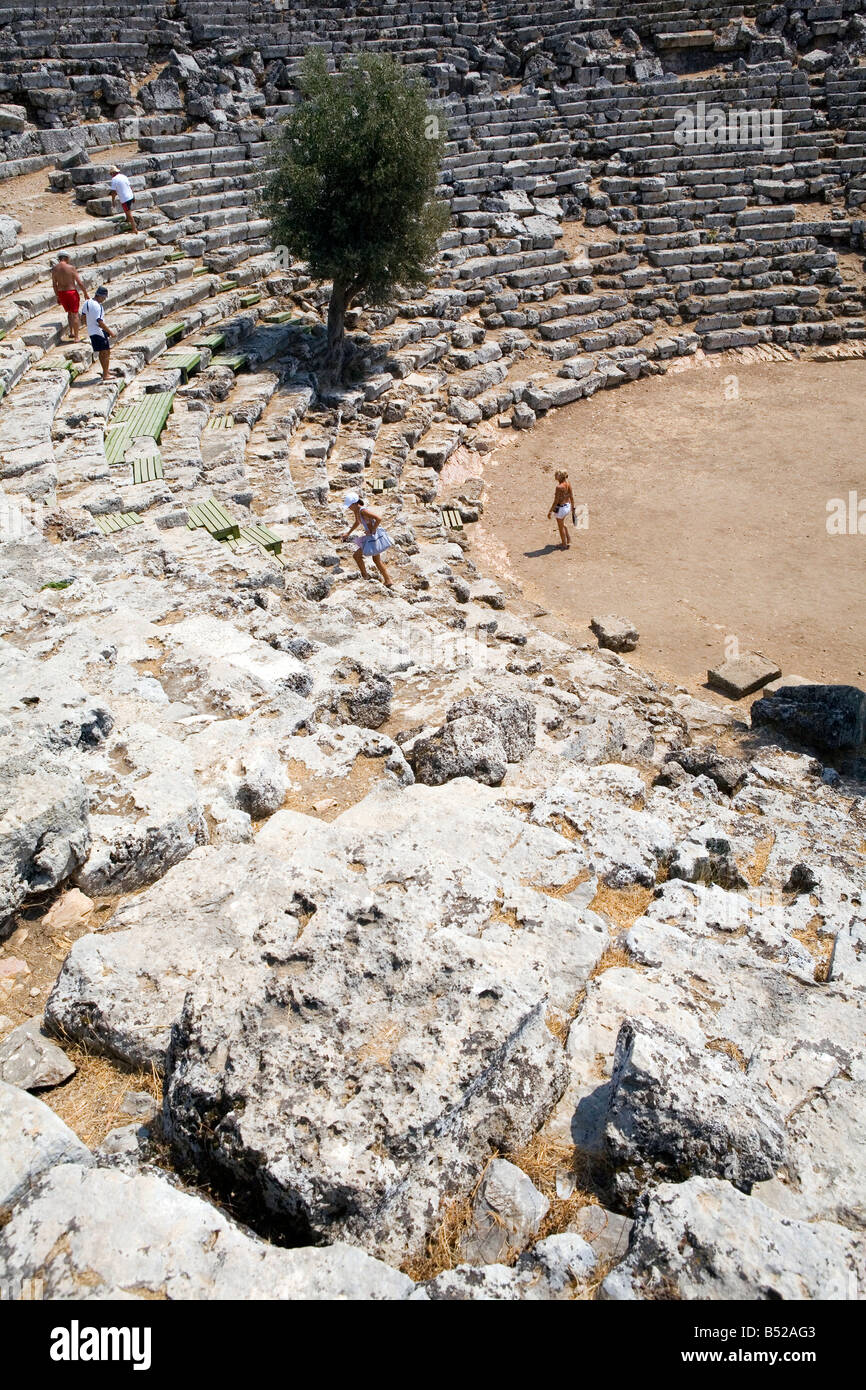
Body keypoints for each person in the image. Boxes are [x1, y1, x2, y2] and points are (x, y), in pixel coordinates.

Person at [341, 490, 394, 588]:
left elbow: (378, 518)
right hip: (371, 537)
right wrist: (348, 533)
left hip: (372, 537)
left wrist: (372, 530)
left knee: (357, 556)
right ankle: (387, 580)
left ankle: (366, 576)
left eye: (349, 506)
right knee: (376, 560)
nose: (349, 508)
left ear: (354, 504)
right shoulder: (357, 511)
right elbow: (357, 522)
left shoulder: (363, 511)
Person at [51, 253, 90, 342]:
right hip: (71, 292)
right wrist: (85, 293)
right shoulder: (71, 268)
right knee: (75, 314)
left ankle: (71, 332)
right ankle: (76, 337)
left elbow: (54, 285)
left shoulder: (55, 269)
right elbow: (79, 282)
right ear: (66, 258)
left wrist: (57, 296)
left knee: (69, 313)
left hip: (61, 293)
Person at [81, 287, 114, 381]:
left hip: (92, 331)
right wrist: (110, 332)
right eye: (104, 297)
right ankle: (105, 375)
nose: (104, 299)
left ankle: (106, 371)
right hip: (99, 332)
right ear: (100, 296)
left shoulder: (87, 302)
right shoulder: (98, 306)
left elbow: (83, 317)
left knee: (104, 352)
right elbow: (100, 321)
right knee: (105, 352)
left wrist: (89, 325)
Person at [547, 469, 577, 550]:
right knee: (562, 524)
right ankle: (568, 539)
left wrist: (550, 512)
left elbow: (556, 501)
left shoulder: (559, 487)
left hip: (561, 509)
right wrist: (573, 508)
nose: (555, 476)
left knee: (560, 527)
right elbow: (571, 497)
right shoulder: (568, 483)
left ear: (559, 477)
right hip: (567, 506)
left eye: (556, 474)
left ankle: (564, 544)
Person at [109, 165, 138, 233]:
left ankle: (134, 228)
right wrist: (133, 196)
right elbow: (130, 186)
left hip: (125, 198)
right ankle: (128, 221)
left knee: (128, 212)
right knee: (127, 210)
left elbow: (113, 192)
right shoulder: (123, 176)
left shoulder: (114, 179)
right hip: (130, 195)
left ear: (113, 173)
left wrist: (113, 201)